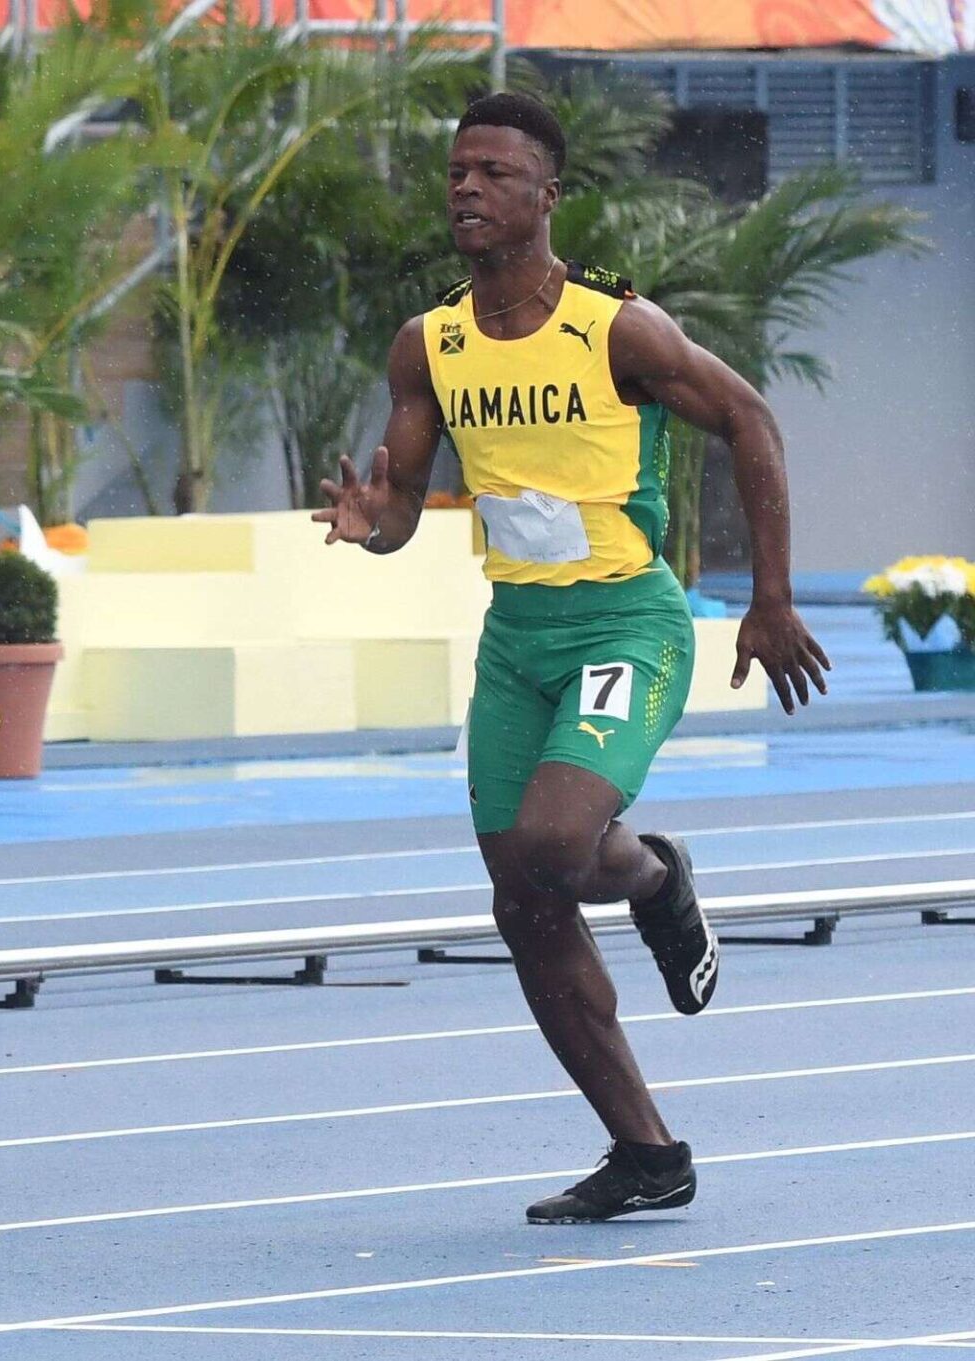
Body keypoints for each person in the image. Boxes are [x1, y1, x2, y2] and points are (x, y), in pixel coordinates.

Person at [314, 93, 830, 1223]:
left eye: (494, 172)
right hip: (518, 640)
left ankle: (652, 873)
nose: (466, 188)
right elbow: (402, 506)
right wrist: (373, 520)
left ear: (546, 197)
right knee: (523, 899)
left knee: (555, 843)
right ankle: (647, 1152)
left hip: (624, 624)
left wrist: (770, 599)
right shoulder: (430, 344)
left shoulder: (616, 328)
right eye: (457, 171)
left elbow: (751, 419)